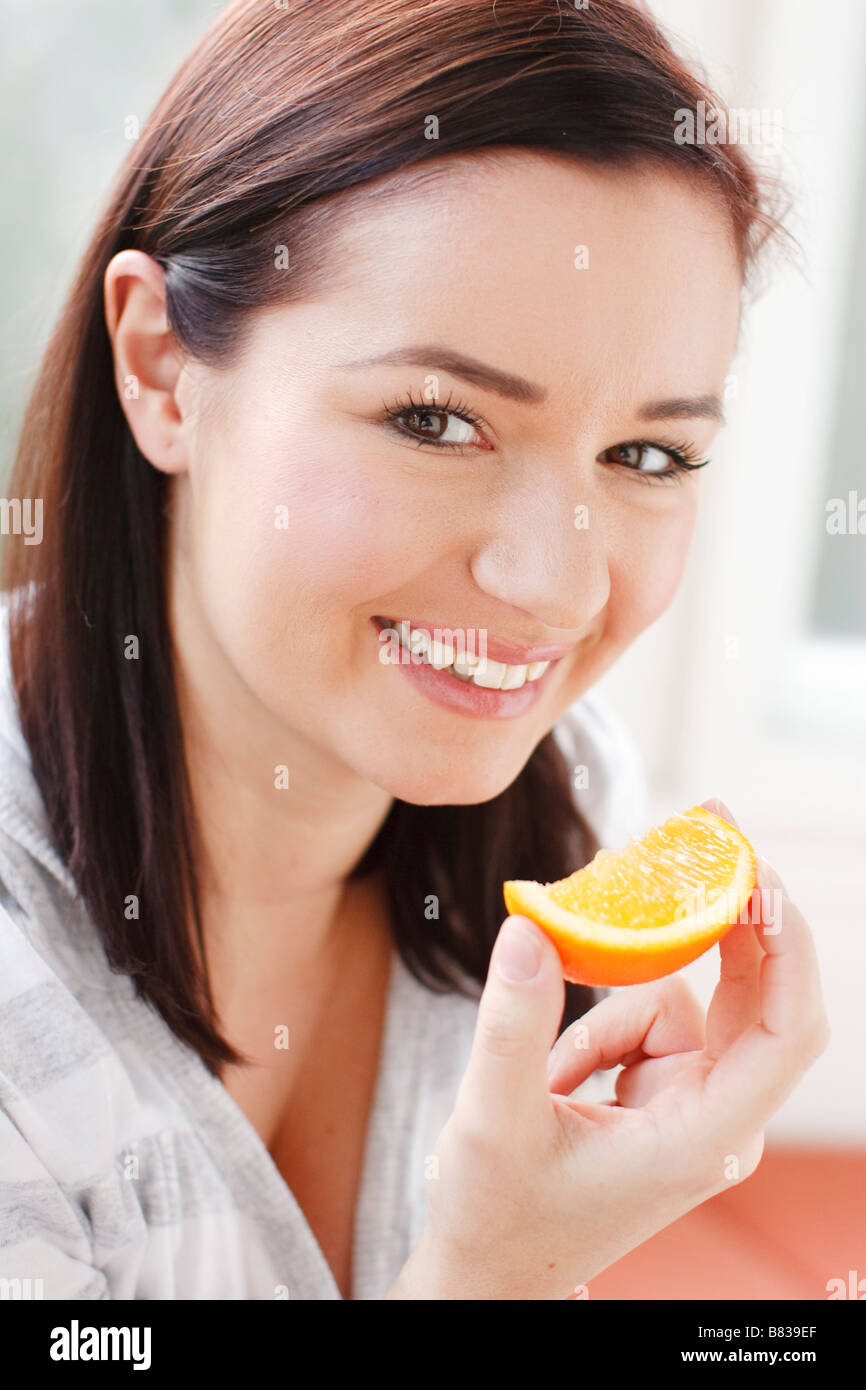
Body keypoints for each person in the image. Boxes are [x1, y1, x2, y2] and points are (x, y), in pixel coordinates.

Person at [0, 0, 828, 1301]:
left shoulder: (568, 803)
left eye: (647, 455)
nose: (551, 583)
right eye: (435, 420)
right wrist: (495, 1275)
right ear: (161, 368)